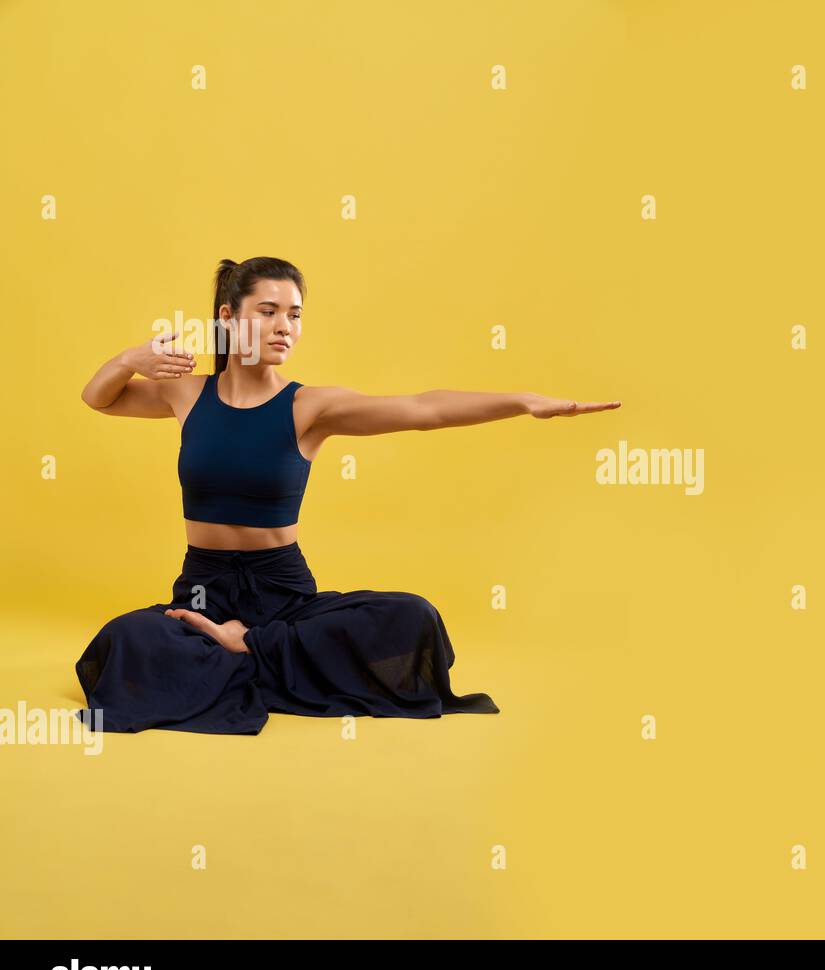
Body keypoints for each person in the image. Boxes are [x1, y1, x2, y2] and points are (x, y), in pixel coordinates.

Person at [75, 256, 620, 734]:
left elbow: (422, 409)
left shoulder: (311, 407)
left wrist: (522, 400)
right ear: (228, 318)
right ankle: (246, 647)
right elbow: (99, 398)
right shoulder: (185, 393)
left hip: (283, 593)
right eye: (268, 311)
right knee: (124, 640)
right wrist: (130, 359)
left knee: (412, 617)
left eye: (295, 314)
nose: (285, 325)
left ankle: (245, 647)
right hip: (201, 591)